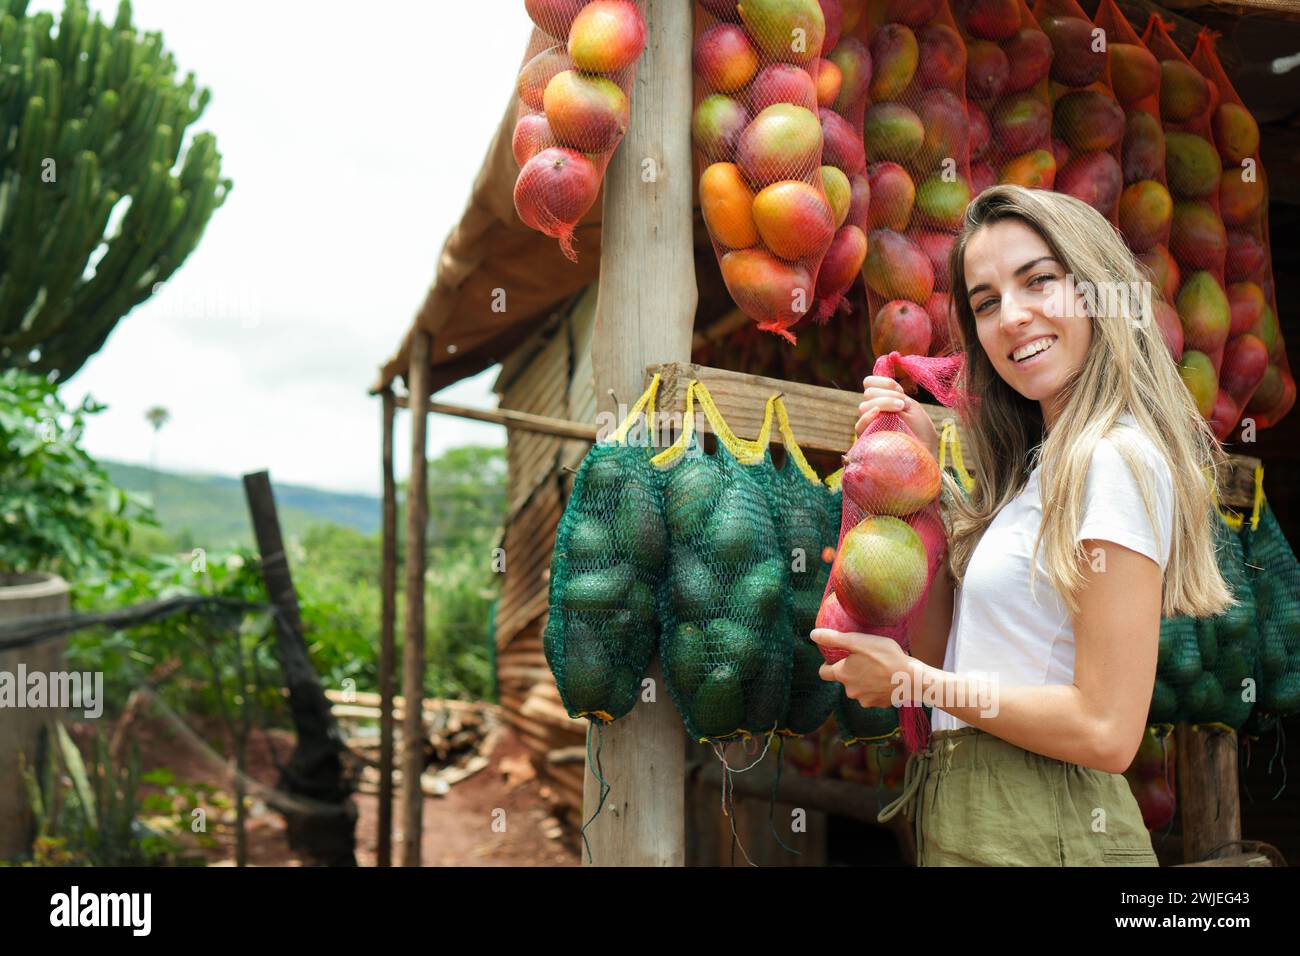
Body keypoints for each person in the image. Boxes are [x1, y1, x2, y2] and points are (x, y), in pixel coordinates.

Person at [811, 184, 1237, 866]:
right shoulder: (1037, 478)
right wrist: (913, 478)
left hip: (1048, 823)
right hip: (978, 814)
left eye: (1039, 282)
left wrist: (913, 683)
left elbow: (1106, 732)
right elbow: (945, 651)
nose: (1012, 317)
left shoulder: (1114, 459)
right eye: (986, 302)